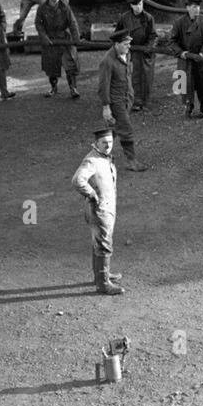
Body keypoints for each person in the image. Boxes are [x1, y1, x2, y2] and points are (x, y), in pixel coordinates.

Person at [70, 126, 125, 295]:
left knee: (100, 242)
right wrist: (92, 193)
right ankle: (103, 284)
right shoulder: (92, 160)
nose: (108, 146)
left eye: (110, 142)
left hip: (106, 207)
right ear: (96, 143)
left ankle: (102, 275)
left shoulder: (104, 157)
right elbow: (77, 180)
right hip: (99, 209)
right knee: (103, 244)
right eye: (104, 143)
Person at [97, 26, 149, 172]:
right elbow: (103, 86)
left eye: (129, 43)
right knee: (126, 129)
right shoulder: (107, 61)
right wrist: (106, 107)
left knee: (113, 129)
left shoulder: (126, 54)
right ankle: (131, 162)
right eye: (126, 44)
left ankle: (98, 158)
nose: (129, 46)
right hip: (116, 101)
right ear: (117, 44)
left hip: (127, 99)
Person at [161, 0, 203, 118]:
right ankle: (189, 105)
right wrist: (181, 52)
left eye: (198, 7)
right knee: (185, 83)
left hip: (200, 58)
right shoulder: (179, 22)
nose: (196, 9)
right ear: (187, 8)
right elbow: (172, 41)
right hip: (185, 58)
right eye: (193, 7)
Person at [35, 0, 81, 98]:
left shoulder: (65, 7)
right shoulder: (42, 8)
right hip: (50, 40)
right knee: (51, 66)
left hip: (64, 38)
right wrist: (44, 37)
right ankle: (53, 88)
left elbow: (73, 23)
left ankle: (73, 88)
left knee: (70, 63)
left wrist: (76, 38)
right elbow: (38, 23)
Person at [116, 0, 156, 111]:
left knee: (146, 77)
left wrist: (149, 47)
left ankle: (144, 100)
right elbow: (117, 33)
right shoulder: (124, 18)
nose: (138, 7)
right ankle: (134, 101)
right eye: (136, 5)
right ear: (131, 6)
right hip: (130, 51)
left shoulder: (148, 18)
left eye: (140, 4)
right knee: (132, 76)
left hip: (145, 52)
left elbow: (153, 35)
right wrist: (123, 45)